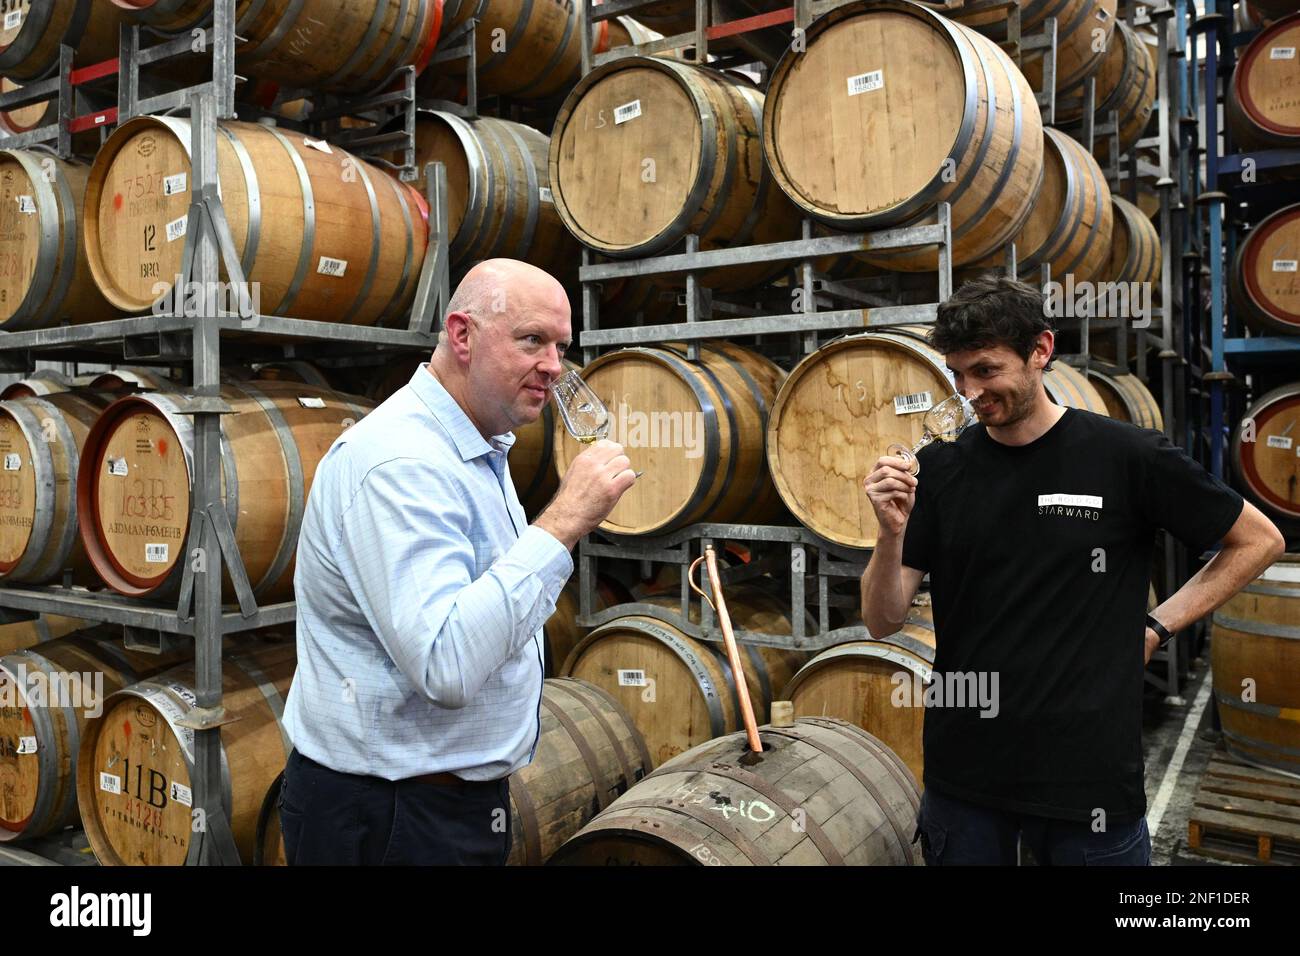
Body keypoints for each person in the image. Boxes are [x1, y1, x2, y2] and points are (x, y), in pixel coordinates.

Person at [860, 275, 1286, 866]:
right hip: (966, 775)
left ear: (1041, 350)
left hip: (1086, 775)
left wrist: (1156, 629)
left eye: (986, 370)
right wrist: (890, 531)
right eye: (957, 374)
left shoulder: (1126, 454)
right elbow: (881, 621)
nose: (970, 392)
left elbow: (1259, 540)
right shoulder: (941, 468)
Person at [279, 258, 636, 865]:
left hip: (438, 804)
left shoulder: (475, 446)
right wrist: (565, 520)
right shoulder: (402, 463)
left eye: (560, 346)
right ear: (463, 334)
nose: (553, 365)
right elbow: (446, 663)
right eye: (532, 341)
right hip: (390, 816)